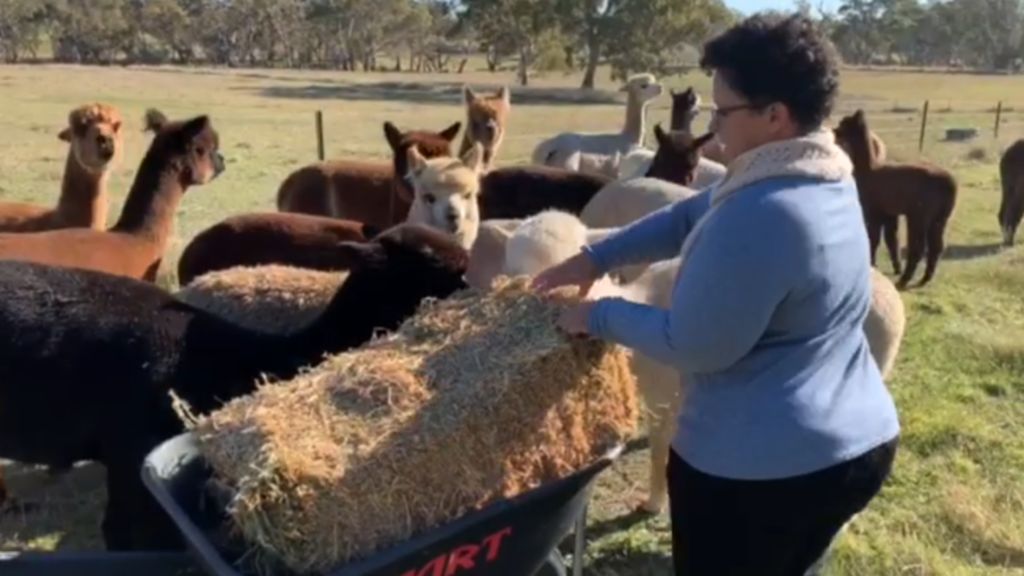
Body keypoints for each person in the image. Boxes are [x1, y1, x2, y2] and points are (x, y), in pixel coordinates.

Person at [530, 13, 900, 576]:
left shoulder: (764, 212)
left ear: (774, 115)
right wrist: (595, 257)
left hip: (761, 476)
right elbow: (689, 212)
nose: (713, 125)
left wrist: (597, 314)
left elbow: (695, 344)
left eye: (722, 111)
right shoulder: (820, 174)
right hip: (853, 444)